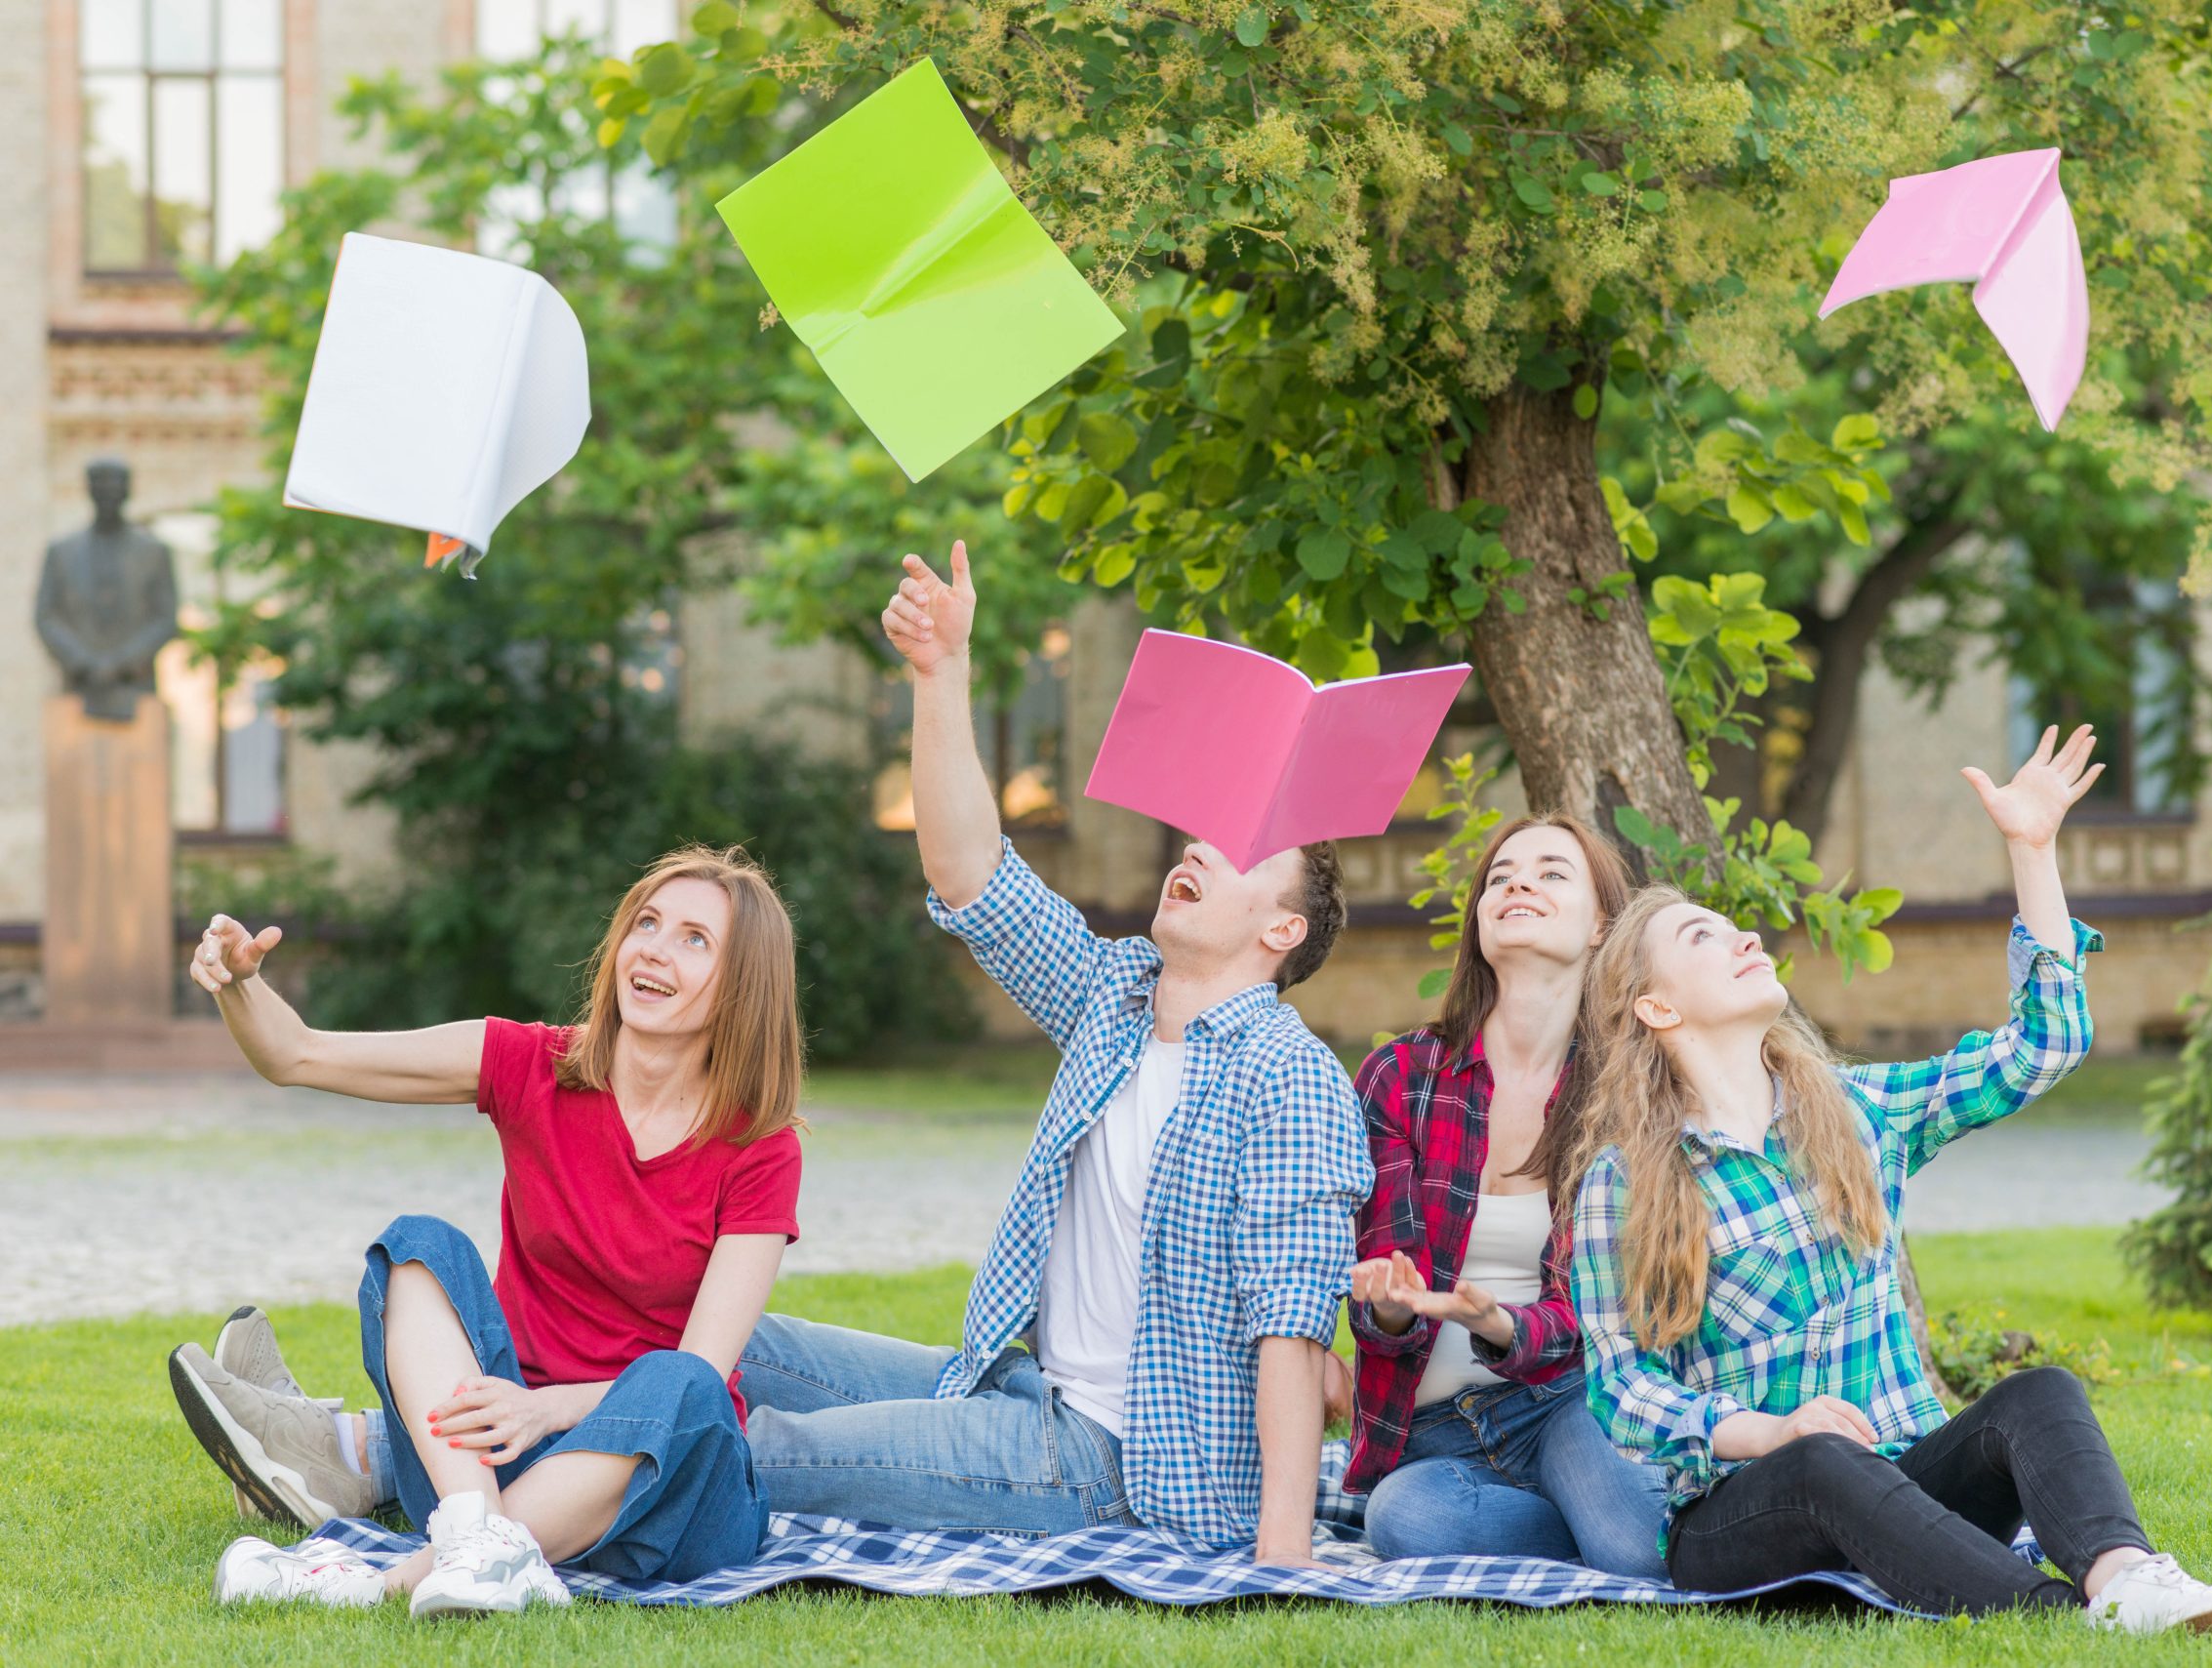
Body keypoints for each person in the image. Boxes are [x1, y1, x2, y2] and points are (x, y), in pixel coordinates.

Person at [726, 542, 1370, 1563]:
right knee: (723, 1341)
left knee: (762, 1447)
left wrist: (1282, 1549)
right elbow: (972, 869)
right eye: (1206, 834)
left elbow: (1292, 1326)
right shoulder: (1112, 996)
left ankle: (446, 1459)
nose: (1197, 848)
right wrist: (942, 672)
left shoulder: (1291, 1078)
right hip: (1018, 1384)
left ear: (1282, 931)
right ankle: (502, 1411)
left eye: (1242, 853)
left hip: (1114, 1458)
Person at [1566, 726, 2212, 1637]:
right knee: (1826, 1455)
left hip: (1903, 1479)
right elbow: (1622, 1389)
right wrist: (1769, 1429)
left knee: (2039, 1393)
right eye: (1703, 937)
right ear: (1656, 1006)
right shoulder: (1625, 1179)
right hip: (1748, 1509)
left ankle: (2128, 1581)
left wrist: (2033, 851)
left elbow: (2042, 1048)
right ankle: (2054, 1619)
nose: (1745, 935)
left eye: (1734, 924)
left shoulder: (1855, 1112)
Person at [169, 845, 805, 1617]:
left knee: (684, 1382)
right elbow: (298, 1052)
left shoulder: (760, 1147)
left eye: (694, 938)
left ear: (743, 986)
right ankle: (477, 1538)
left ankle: (380, 1581)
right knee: (417, 1246)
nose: (653, 949)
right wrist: (242, 983)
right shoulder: (533, 1063)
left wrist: (548, 1408)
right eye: (646, 922)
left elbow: (705, 1367)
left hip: (668, 1482)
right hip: (495, 1452)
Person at [1345, 813, 1677, 1575]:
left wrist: (1499, 1324)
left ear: (1602, 925)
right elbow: (1381, 1307)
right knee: (1401, 1519)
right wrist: (1392, 1302)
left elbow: (1607, 1311)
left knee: (1634, 1550)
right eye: (1500, 876)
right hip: (1430, 1430)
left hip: (1563, 1401)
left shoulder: (1630, 1095)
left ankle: (1603, 1511)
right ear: (1481, 921)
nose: (1518, 882)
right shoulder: (1401, 1077)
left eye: (1551, 872)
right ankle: (1577, 1519)